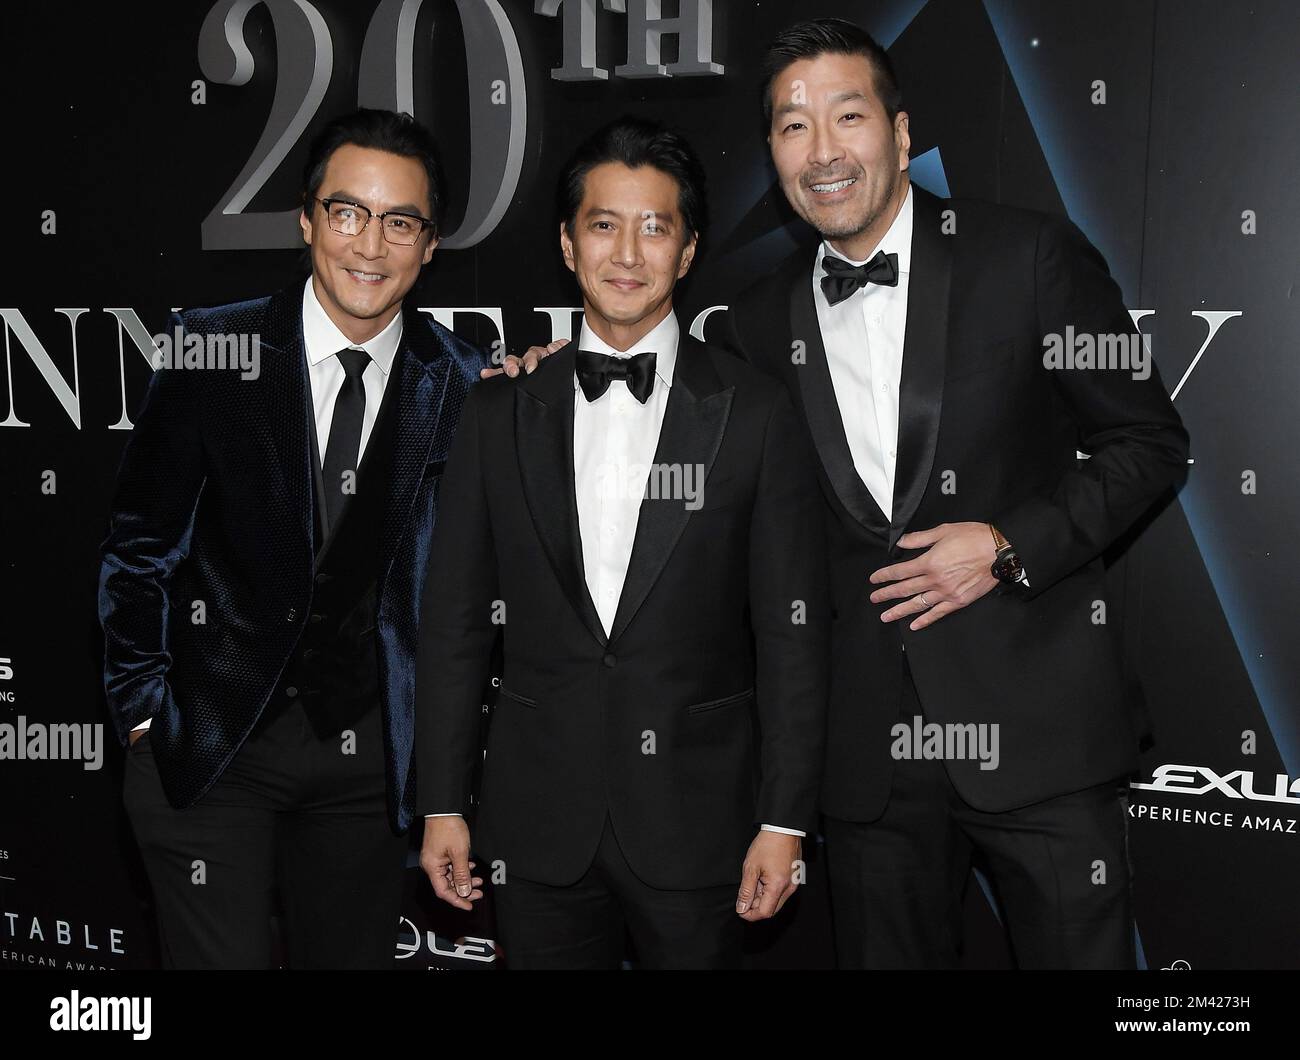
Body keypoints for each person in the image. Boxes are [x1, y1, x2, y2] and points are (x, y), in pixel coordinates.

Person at [712, 18, 1190, 968]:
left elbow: (1149, 441)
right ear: (772, 155)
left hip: (1042, 734)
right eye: (792, 126)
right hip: (865, 763)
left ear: (896, 132)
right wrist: (546, 373)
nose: (823, 149)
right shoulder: (753, 325)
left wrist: (1009, 544)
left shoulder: (1031, 257)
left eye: (846, 116)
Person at [415, 117, 829, 969]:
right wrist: (442, 802)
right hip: (533, 828)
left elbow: (793, 634)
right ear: (568, 245)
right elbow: (455, 621)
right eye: (604, 224)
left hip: (701, 820)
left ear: (688, 251)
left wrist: (784, 819)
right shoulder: (499, 412)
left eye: (656, 227)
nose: (628, 254)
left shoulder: (755, 412)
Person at [100, 108, 493, 968]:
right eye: (348, 212)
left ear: (430, 245)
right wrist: (139, 709)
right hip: (211, 742)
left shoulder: (470, 385)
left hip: (370, 767)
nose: (370, 244)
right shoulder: (212, 349)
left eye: (401, 222)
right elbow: (140, 543)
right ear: (307, 218)